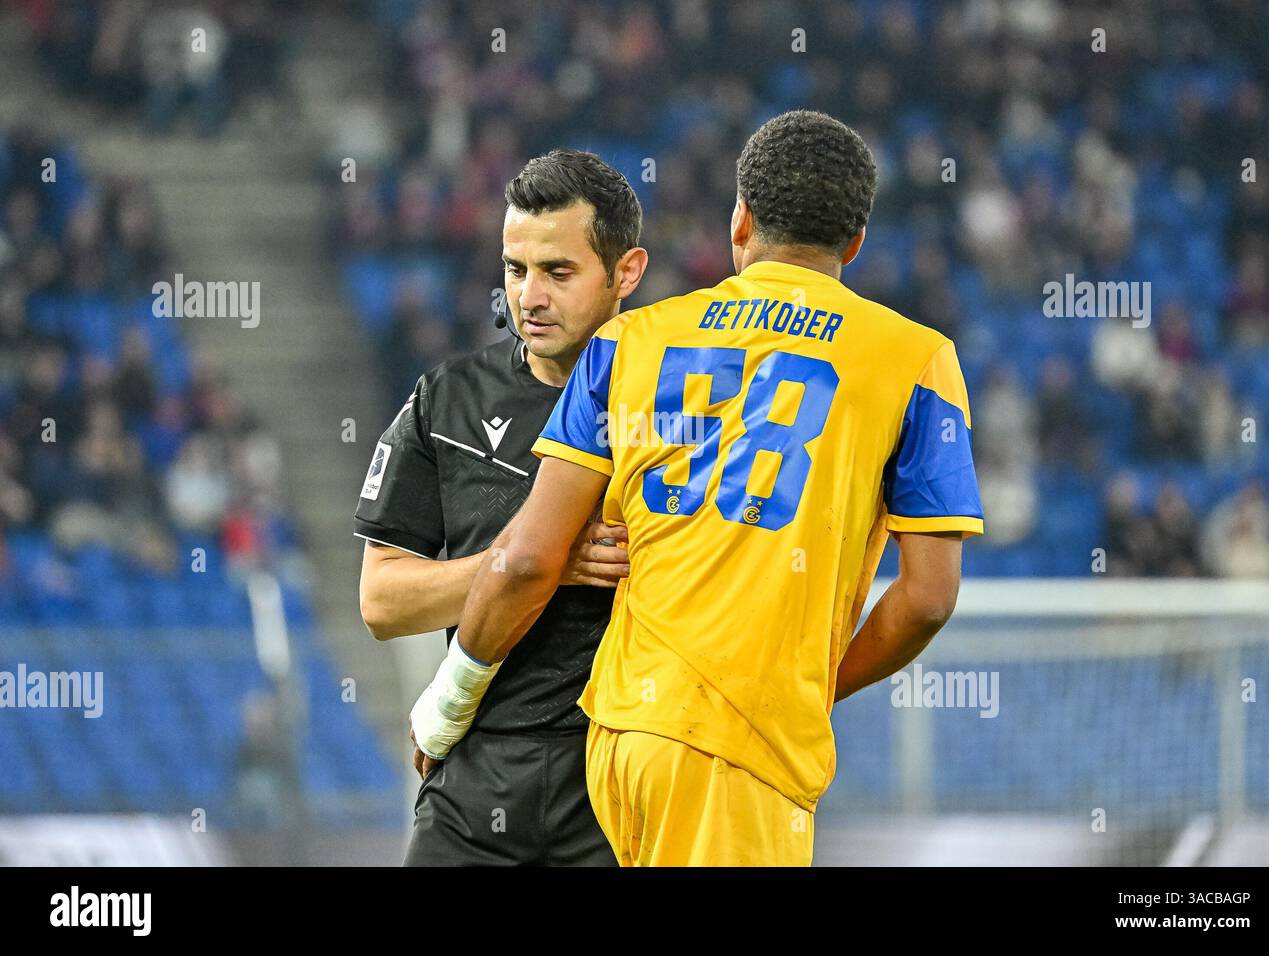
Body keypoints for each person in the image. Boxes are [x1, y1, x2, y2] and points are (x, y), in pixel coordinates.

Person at [411, 110, 983, 865]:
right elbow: (928, 598)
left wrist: (446, 706)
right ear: (855, 243)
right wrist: (810, 691)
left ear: (740, 222)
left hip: (615, 743)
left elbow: (525, 560)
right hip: (736, 748)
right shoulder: (916, 360)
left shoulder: (626, 341)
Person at [356, 149, 647, 865]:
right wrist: (534, 566)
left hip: (621, 775)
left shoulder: (676, 407)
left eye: (558, 272)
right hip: (475, 773)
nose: (529, 297)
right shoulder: (446, 401)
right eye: (516, 271)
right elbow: (382, 603)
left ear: (627, 272)